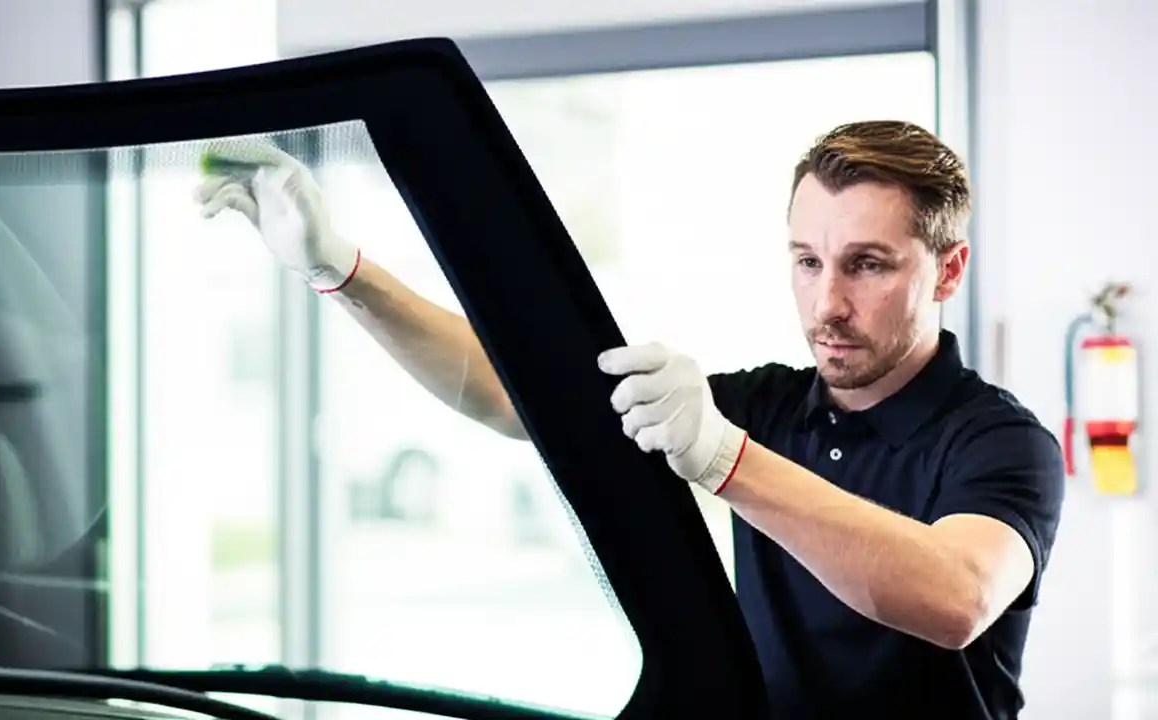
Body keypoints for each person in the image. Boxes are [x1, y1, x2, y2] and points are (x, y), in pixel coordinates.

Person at [196, 120, 1065, 719]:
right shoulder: (766, 403)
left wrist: (724, 458)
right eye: (806, 261)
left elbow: (955, 597)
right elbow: (511, 395)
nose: (827, 303)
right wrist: (337, 268)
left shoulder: (998, 440)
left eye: (867, 265)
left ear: (947, 271)